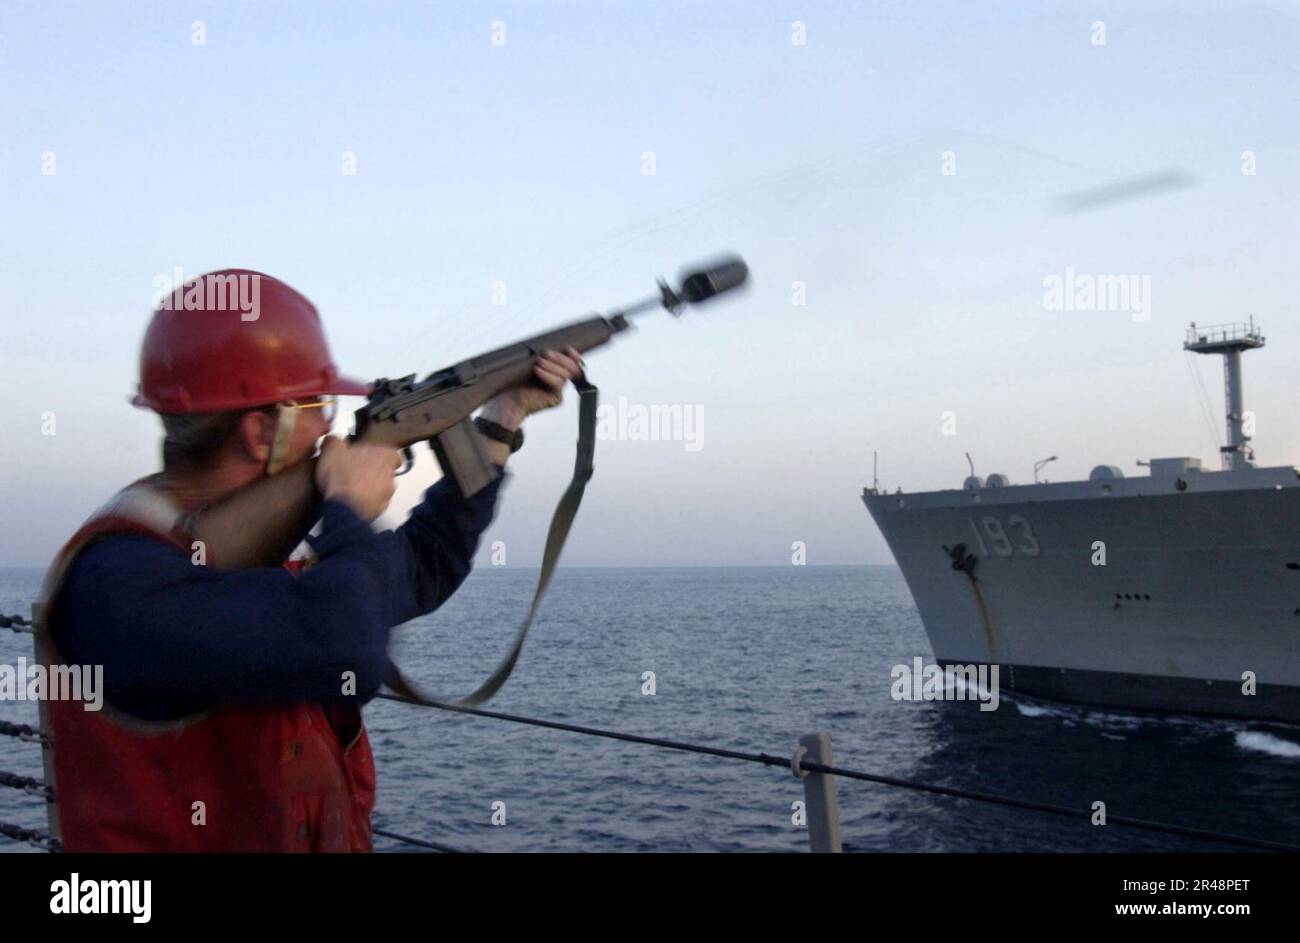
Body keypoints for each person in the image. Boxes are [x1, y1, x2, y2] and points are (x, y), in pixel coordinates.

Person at [35, 269, 583, 851]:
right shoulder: (116, 584)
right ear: (260, 431)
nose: (334, 428)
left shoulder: (273, 555)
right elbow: (347, 645)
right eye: (319, 404)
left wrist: (501, 419)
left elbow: (423, 566)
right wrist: (348, 508)